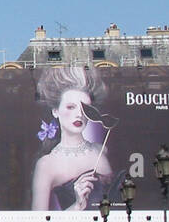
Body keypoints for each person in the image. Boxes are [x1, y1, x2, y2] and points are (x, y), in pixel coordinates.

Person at [30, 67, 116, 211]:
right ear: (55, 111)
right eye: (71, 107)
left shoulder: (102, 150)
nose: (79, 114)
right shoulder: (46, 165)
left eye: (85, 108)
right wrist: (76, 206)